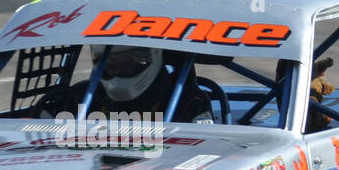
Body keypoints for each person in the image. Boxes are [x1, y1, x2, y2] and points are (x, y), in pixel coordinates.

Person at [43, 45, 214, 123]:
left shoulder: (187, 103)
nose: (117, 70)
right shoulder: (79, 97)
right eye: (110, 62)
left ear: (151, 56)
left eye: (126, 62)